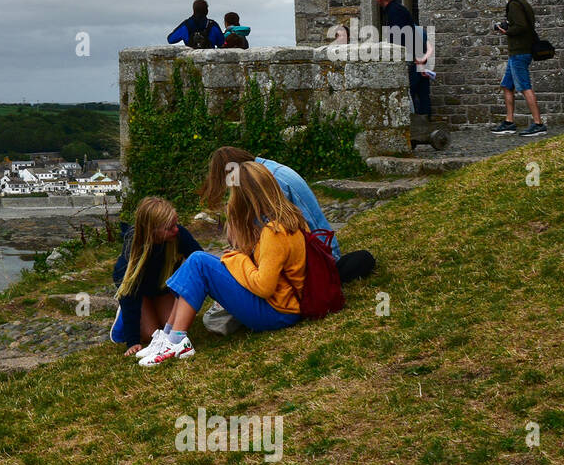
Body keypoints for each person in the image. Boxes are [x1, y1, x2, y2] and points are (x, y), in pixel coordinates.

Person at [136, 163, 307, 367]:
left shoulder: (274, 231)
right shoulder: (284, 219)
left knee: (199, 262)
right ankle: (168, 337)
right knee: (198, 261)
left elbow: (264, 286)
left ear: (246, 198)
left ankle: (177, 340)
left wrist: (239, 259)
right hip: (281, 307)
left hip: (278, 313)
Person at [201, 146, 375, 284]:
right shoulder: (267, 168)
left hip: (319, 259)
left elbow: (273, 237)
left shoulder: (268, 182)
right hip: (317, 251)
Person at [111, 197, 202, 357]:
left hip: (162, 288)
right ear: (152, 231)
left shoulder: (179, 235)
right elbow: (129, 294)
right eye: (169, 228)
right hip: (138, 293)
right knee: (150, 336)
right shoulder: (133, 252)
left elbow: (200, 260)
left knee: (174, 328)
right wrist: (133, 341)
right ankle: (123, 318)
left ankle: (152, 311)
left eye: (176, 223)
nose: (176, 230)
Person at [493, 0, 548, 137]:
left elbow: (521, 26)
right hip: (518, 52)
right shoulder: (522, 2)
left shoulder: (514, 4)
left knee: (524, 86)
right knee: (507, 85)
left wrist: (506, 30)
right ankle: (509, 122)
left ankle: (538, 124)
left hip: (520, 52)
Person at [374, 0, 430, 117]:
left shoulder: (394, 11)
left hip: (411, 58)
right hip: (416, 55)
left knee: (411, 92)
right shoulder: (397, 9)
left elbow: (402, 37)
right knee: (421, 93)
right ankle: (425, 122)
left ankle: (420, 125)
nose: (376, 1)